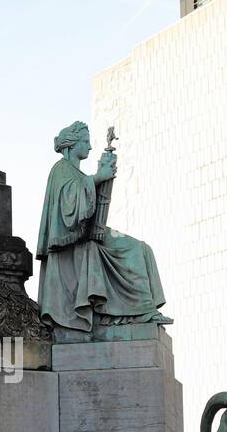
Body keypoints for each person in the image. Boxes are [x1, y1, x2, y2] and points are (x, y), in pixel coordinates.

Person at [35, 121, 170, 333]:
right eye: (85, 142)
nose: (89, 147)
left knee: (143, 249)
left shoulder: (77, 174)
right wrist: (98, 177)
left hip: (88, 235)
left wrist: (101, 179)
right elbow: (68, 208)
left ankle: (145, 309)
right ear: (71, 145)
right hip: (73, 243)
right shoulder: (61, 169)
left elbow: (89, 209)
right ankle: (133, 311)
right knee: (133, 250)